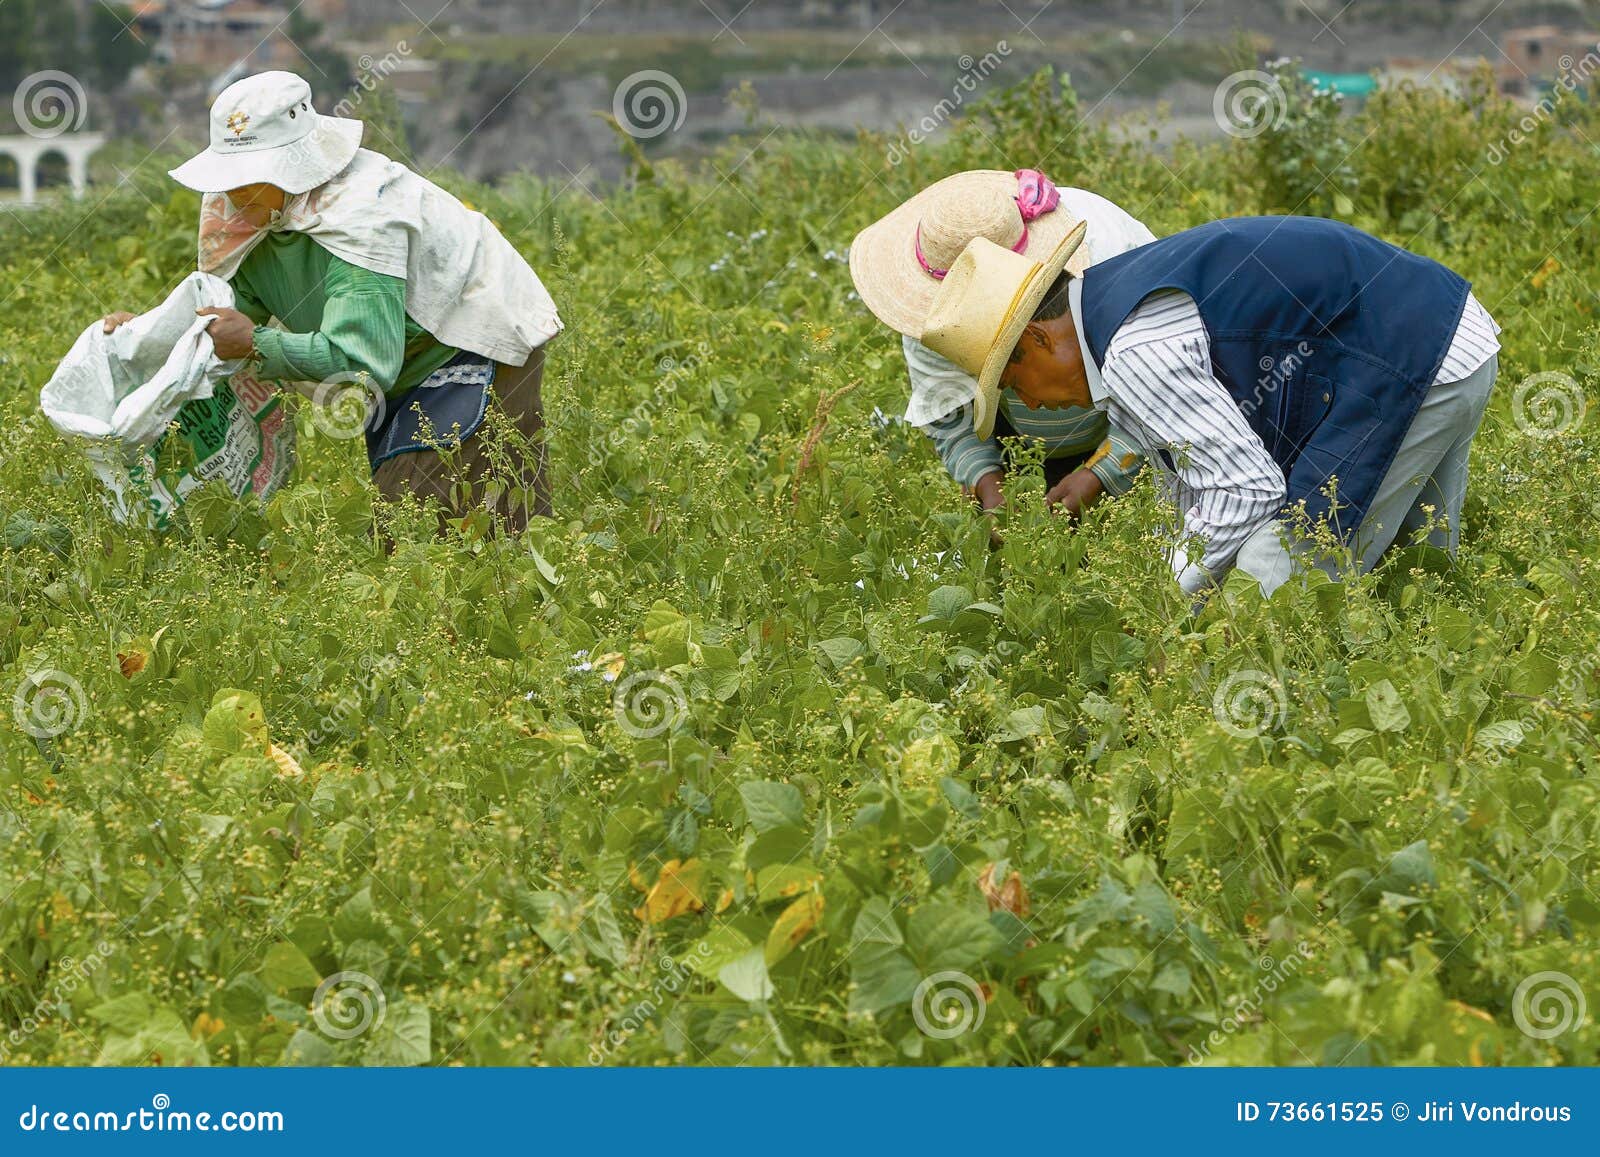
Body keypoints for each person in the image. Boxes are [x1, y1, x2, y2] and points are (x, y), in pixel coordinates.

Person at [914, 215, 1501, 596]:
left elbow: (1246, 489)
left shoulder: (1131, 350)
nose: (1028, 403)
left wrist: (1168, 598)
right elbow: (1185, 456)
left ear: (1039, 341)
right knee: (1419, 571)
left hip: (1411, 362)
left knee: (1278, 578)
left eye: (1014, 385)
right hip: (1452, 332)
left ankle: (1258, 750)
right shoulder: (1110, 304)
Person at [101, 71, 561, 533]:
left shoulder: (361, 219)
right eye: (231, 178)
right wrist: (146, 332)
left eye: (250, 178)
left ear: (293, 167)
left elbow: (363, 363)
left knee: (443, 522)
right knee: (423, 524)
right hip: (408, 361)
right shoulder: (255, 216)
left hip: (475, 341)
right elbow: (222, 313)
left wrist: (257, 344)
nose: (234, 193)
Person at [850, 169, 1154, 519]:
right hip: (1016, 446)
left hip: (1128, 425)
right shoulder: (924, 307)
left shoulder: (1112, 256)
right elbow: (948, 411)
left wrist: (1105, 471)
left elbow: (1160, 392)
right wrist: (988, 487)